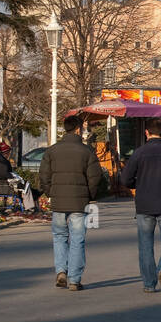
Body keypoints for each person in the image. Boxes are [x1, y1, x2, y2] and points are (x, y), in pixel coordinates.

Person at [119, 121, 161, 295]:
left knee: (145, 245)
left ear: (147, 133)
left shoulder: (139, 153)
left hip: (144, 205)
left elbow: (125, 179)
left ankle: (149, 283)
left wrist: (138, 184)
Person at [39, 114, 103, 290]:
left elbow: (44, 176)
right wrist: (89, 195)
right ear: (77, 129)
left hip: (58, 201)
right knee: (77, 239)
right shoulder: (87, 151)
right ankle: (74, 279)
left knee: (59, 236)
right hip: (79, 202)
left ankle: (61, 271)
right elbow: (95, 177)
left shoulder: (51, 151)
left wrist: (50, 192)